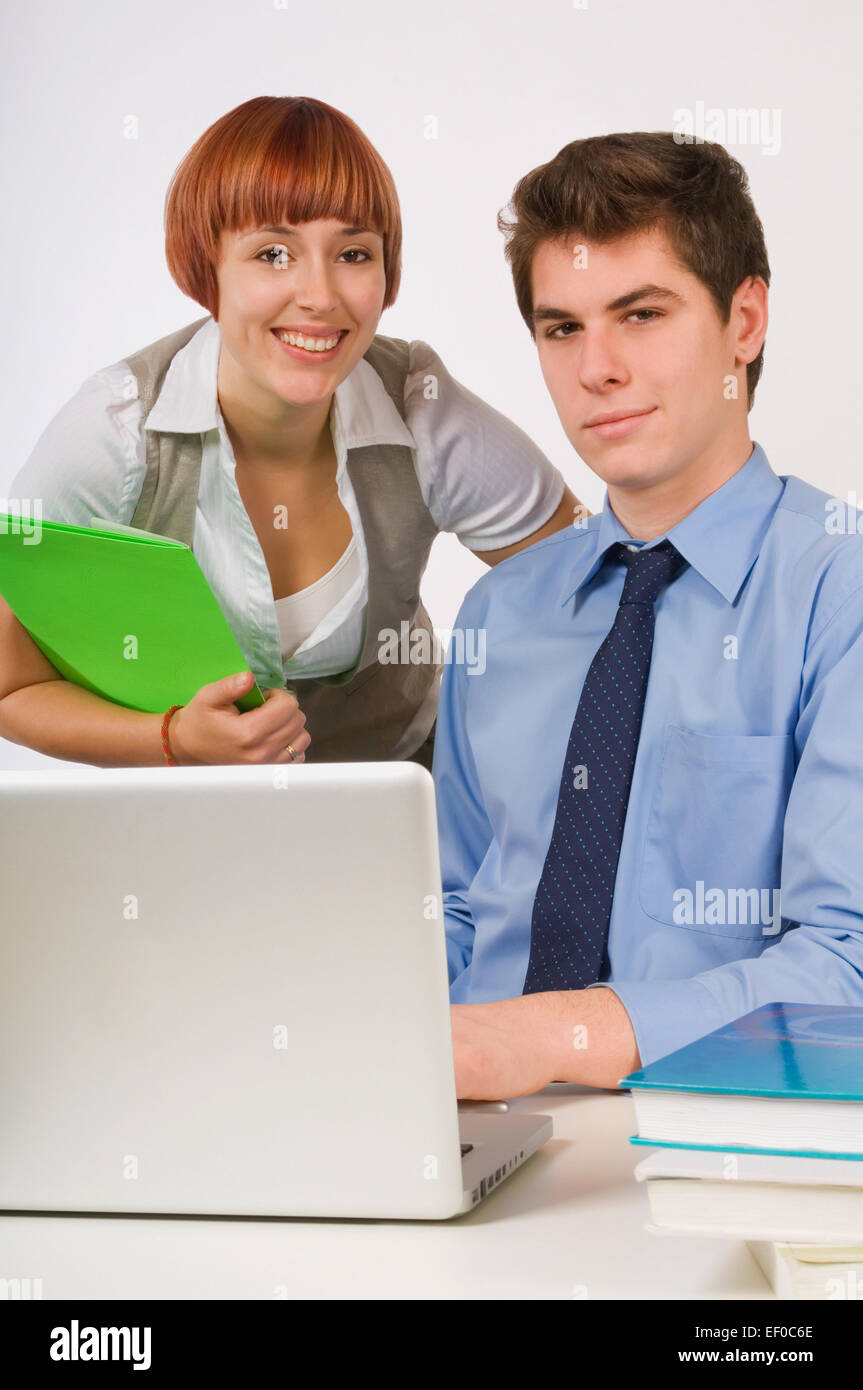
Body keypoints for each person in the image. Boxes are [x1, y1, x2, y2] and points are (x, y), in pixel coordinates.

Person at [433, 131, 863, 1099]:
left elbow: (850, 973)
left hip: (712, 1134)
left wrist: (551, 1036)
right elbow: (456, 910)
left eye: (639, 314)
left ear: (742, 320)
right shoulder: (495, 614)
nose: (596, 368)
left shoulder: (840, 589)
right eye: (560, 328)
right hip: (461, 1125)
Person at [0, 95, 584, 769]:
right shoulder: (117, 428)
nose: (319, 295)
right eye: (273, 252)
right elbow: (12, 686)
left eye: (354, 253)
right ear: (204, 266)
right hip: (190, 823)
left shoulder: (418, 405)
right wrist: (173, 740)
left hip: (405, 799)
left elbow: (591, 585)